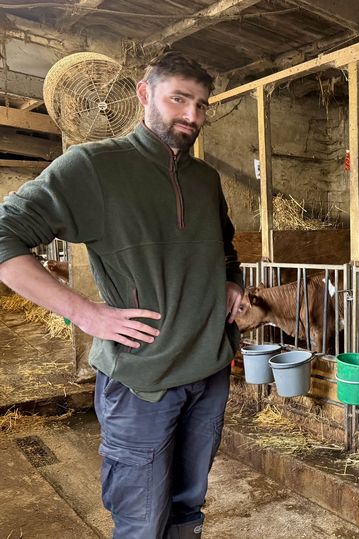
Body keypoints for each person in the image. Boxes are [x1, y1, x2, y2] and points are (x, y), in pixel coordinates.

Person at [0, 51, 243, 538]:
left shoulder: (205, 179)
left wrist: (231, 283)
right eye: (179, 99)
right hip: (142, 382)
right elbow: (5, 236)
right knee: (140, 520)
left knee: (188, 508)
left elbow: (224, 248)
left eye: (201, 104)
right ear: (143, 94)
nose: (192, 116)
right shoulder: (93, 166)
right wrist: (83, 313)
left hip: (210, 372)